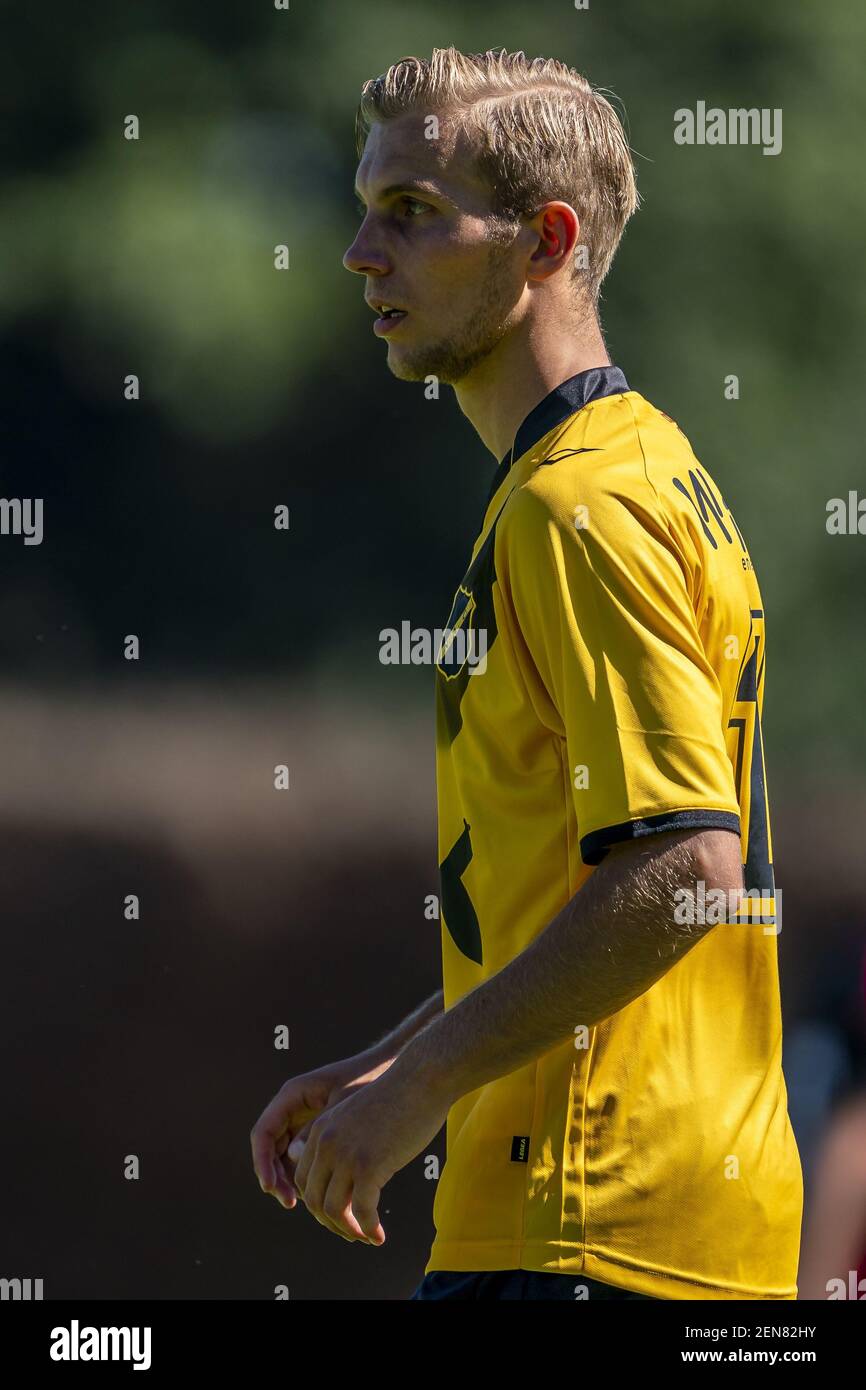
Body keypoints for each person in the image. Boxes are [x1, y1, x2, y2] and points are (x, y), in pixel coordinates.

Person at [251, 45, 803, 1302]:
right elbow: (583, 875)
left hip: (588, 1225)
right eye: (363, 208)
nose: (357, 254)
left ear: (544, 241)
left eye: (412, 214)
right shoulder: (638, 466)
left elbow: (682, 869)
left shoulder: (578, 506)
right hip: (667, 1228)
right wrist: (398, 1061)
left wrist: (428, 1087)